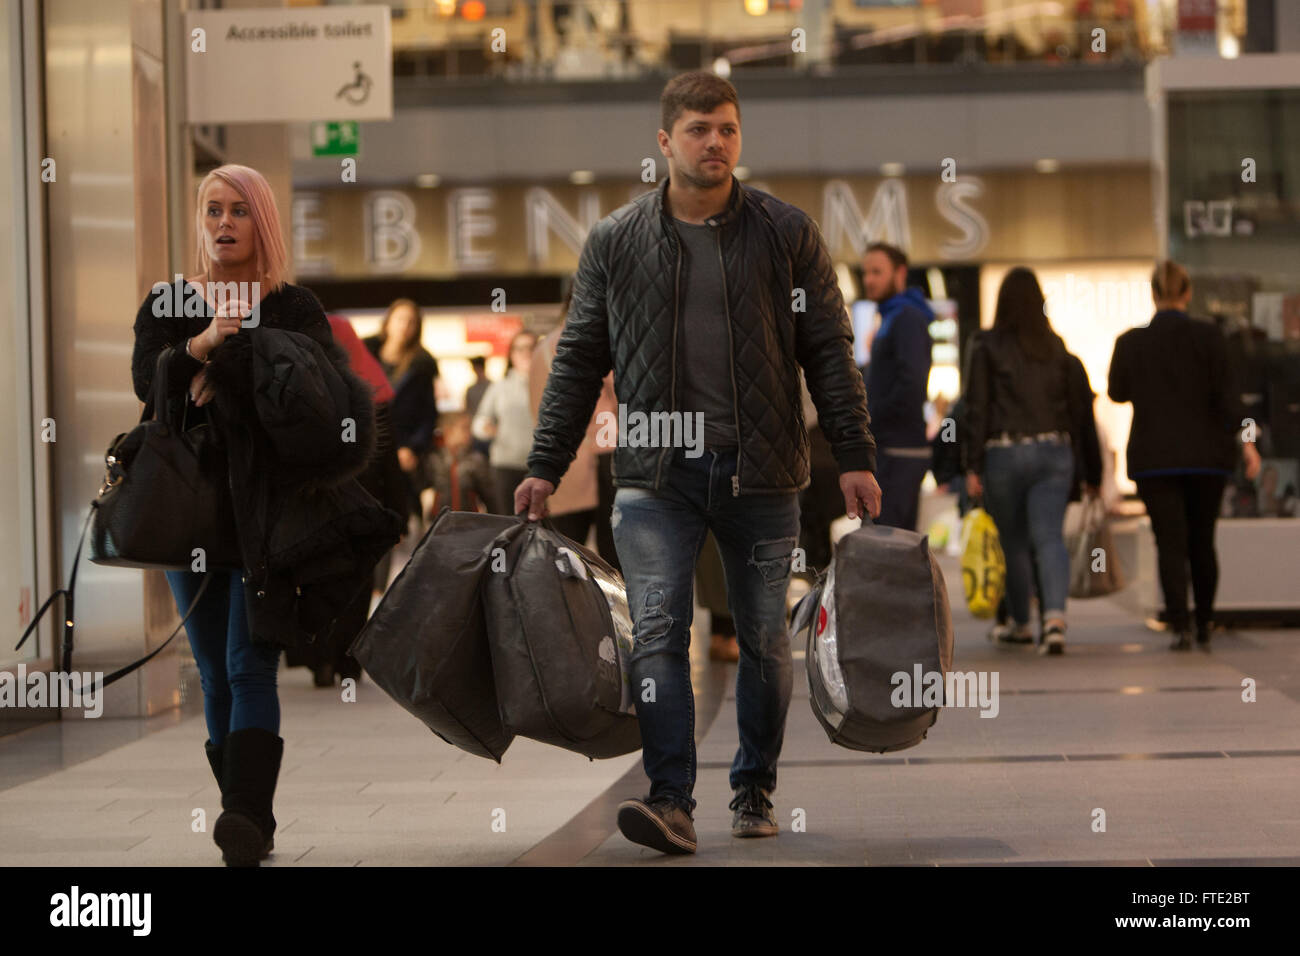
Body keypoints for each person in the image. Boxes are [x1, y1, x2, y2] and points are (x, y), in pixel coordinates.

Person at [515, 70, 880, 855]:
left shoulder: (786, 233)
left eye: (727, 129)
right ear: (664, 142)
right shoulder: (616, 241)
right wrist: (545, 464)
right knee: (656, 634)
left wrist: (853, 453)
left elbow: (828, 350)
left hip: (763, 471)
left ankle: (754, 788)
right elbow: (577, 361)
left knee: (763, 638)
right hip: (655, 475)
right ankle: (670, 799)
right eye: (699, 130)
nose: (715, 143)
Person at [130, 164, 396, 866]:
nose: (224, 223)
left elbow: (322, 399)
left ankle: (245, 816)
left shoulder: (293, 306)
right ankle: (244, 812)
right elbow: (147, 382)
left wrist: (232, 368)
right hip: (189, 512)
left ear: (263, 222)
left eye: (239, 210)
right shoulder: (168, 302)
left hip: (271, 513)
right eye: (213, 209)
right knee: (212, 671)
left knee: (250, 663)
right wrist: (199, 348)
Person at [1109, 260, 1261, 650]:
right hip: (1207, 458)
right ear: (1188, 293)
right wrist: (1248, 443)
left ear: (1153, 294)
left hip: (1154, 458)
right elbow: (1230, 400)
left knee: (1169, 543)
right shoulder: (1210, 338)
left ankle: (1180, 624)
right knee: (1202, 541)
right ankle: (1205, 620)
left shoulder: (1130, 342)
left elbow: (1116, 392)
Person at [963, 267, 1101, 655]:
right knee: (1049, 537)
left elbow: (976, 408)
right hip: (1054, 452)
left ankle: (1022, 623)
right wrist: (1092, 470)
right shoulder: (1056, 349)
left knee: (1014, 543)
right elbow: (1079, 413)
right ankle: (1054, 621)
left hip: (1004, 453)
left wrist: (972, 465)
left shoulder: (985, 346)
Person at [285, 314, 408, 688]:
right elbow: (389, 461)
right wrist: (399, 511)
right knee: (356, 581)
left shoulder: (302, 387)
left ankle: (321, 657)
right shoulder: (371, 389)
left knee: (318, 578)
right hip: (363, 503)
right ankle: (348, 660)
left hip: (315, 504)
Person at [861, 242, 934, 530]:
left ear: (900, 273)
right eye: (866, 272)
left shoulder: (906, 318)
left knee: (888, 542)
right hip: (891, 449)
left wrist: (873, 416)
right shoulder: (892, 316)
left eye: (877, 272)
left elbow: (912, 383)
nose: (869, 280)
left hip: (898, 451)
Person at [363, 299, 439, 526]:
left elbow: (428, 414)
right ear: (388, 322)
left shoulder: (421, 365)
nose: (405, 326)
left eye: (411, 322)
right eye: (400, 319)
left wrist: (413, 447)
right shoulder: (365, 354)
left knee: (401, 513)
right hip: (366, 444)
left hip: (402, 447)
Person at [473, 330, 538, 515]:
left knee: (541, 524)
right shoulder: (499, 387)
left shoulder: (550, 385)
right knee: (509, 522)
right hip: (506, 466)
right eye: (520, 348)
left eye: (531, 348)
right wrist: (485, 427)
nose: (526, 353)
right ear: (512, 354)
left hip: (542, 468)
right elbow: (479, 421)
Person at [418, 411, 493, 516]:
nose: (469, 433)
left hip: (468, 520)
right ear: (448, 431)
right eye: (464, 428)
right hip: (440, 521)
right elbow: (420, 487)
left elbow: (490, 498)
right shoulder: (433, 459)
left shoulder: (476, 460)